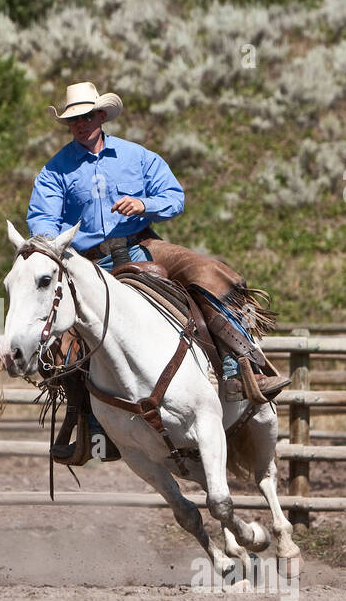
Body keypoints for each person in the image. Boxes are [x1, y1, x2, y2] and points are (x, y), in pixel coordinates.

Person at [27, 81, 289, 465]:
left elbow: (175, 198)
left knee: (207, 273)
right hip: (88, 262)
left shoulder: (137, 157)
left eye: (86, 116)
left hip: (141, 245)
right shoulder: (55, 170)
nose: (80, 125)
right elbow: (41, 221)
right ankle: (91, 422)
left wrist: (143, 204)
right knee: (66, 342)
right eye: (73, 120)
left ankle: (241, 366)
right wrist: (59, 242)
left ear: (101, 116)